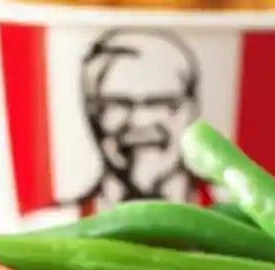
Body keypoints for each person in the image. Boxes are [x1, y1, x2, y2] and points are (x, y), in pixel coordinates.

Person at [72, 29, 201, 212]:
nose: (141, 121)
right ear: (92, 113)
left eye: (161, 102)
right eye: (118, 103)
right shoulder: (48, 225)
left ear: (191, 110)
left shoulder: (247, 222)